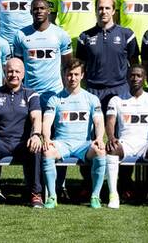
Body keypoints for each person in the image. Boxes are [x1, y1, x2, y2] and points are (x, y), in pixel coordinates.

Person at [41, 59, 107, 209]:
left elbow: (98, 122)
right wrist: (46, 138)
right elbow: (46, 122)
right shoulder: (55, 99)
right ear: (64, 75)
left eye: (76, 74)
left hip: (83, 144)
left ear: (82, 75)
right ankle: (52, 196)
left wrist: (98, 138)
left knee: (100, 150)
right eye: (69, 74)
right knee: (47, 151)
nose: (73, 78)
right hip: (62, 143)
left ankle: (95, 196)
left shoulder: (91, 99)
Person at [0, 58, 45, 208]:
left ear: (23, 74)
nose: (13, 74)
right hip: (0, 141)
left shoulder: (31, 94)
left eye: (17, 71)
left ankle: (35, 194)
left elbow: (36, 117)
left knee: (36, 148)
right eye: (10, 71)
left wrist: (36, 135)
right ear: (4, 72)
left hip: (22, 142)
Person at [104, 65, 148, 209]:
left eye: (139, 75)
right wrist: (111, 137)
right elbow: (110, 121)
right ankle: (113, 195)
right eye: (132, 75)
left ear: (145, 79)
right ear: (127, 78)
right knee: (112, 149)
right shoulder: (116, 100)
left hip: (145, 144)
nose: (135, 78)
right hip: (125, 143)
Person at [76, 0, 139, 110]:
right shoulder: (85, 36)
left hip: (121, 90)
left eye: (107, 8)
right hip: (93, 91)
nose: (103, 11)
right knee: (95, 122)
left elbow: (135, 65)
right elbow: (80, 67)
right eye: (100, 8)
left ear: (114, 11)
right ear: (95, 10)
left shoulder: (127, 34)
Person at [13, 0, 73, 101]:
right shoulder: (20, 35)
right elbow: (18, 66)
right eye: (35, 9)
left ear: (49, 11)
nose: (39, 11)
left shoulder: (61, 34)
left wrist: (66, 91)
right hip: (29, 93)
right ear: (31, 12)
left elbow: (67, 66)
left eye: (42, 8)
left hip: (55, 92)